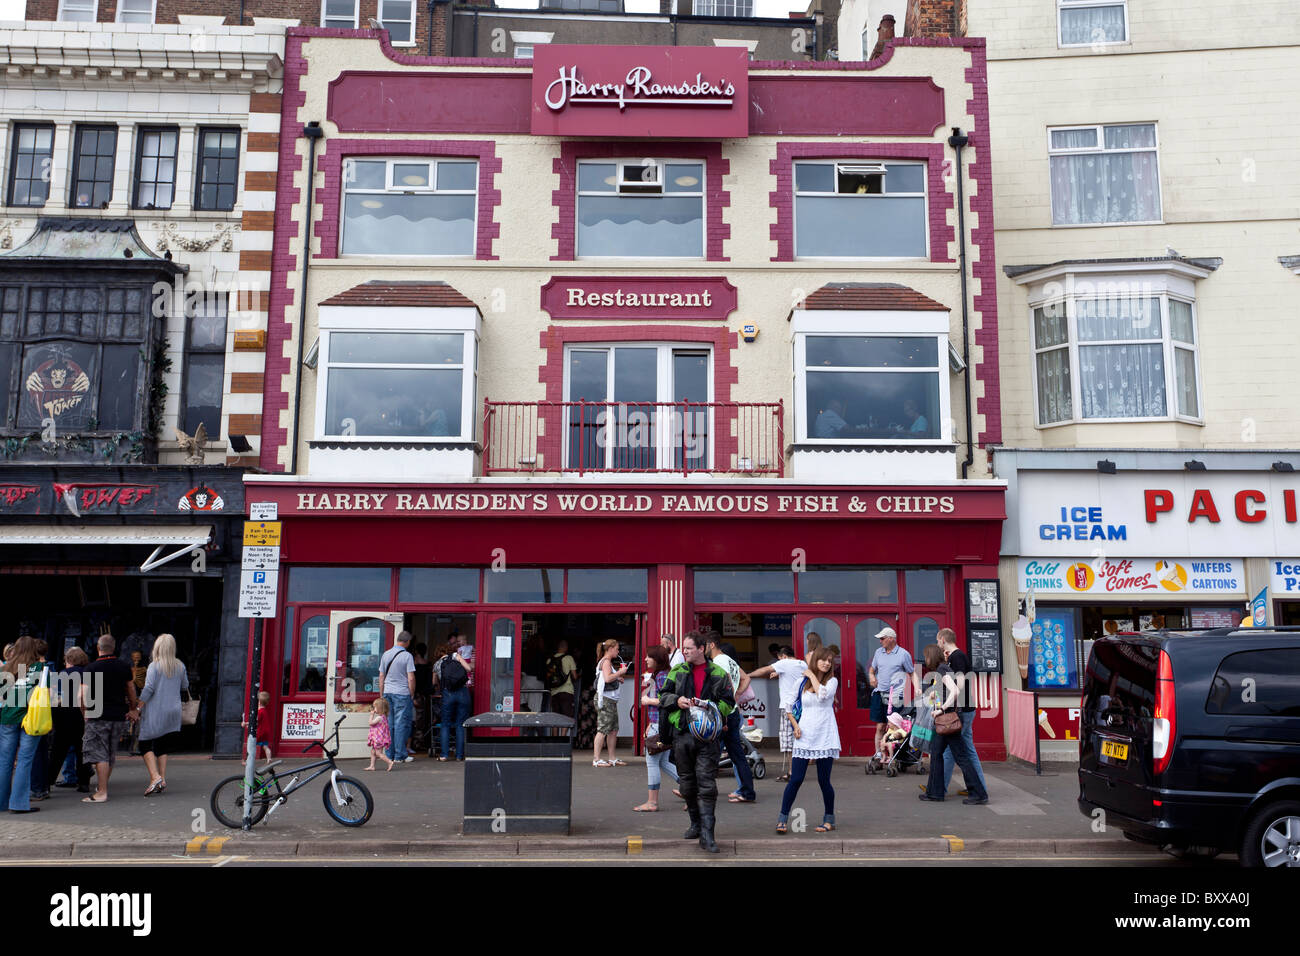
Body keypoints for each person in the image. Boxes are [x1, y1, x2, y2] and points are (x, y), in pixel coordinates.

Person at [658, 631, 736, 853]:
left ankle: (708, 833)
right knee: (687, 784)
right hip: (682, 734)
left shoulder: (719, 672)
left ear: (702, 649)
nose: (685, 651)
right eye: (683, 648)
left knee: (707, 784)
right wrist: (677, 700)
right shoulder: (678, 670)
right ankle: (695, 824)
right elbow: (663, 697)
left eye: (689, 648)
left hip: (708, 736)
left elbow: (728, 703)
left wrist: (709, 707)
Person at [776, 647, 841, 834]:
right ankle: (782, 818)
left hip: (825, 736)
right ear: (816, 660)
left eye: (830, 661)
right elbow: (788, 706)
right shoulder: (800, 682)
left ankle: (829, 819)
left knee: (824, 780)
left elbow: (823, 696)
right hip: (804, 735)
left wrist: (812, 675)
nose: (827, 663)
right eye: (823, 659)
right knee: (795, 779)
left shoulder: (832, 682)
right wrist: (795, 726)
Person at [919, 644, 989, 805]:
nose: (925, 659)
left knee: (961, 757)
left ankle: (978, 794)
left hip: (947, 720)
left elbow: (955, 691)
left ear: (932, 656)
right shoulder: (942, 670)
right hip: (946, 720)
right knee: (936, 754)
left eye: (926, 656)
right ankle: (935, 793)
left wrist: (941, 709)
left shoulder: (942, 670)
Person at [80, 633, 139, 804]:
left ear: (98, 648)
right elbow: (131, 690)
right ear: (114, 648)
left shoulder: (90, 669)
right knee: (110, 753)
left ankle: (102, 792)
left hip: (97, 716)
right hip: (118, 716)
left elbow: (82, 695)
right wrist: (133, 709)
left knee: (99, 755)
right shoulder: (124, 667)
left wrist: (84, 713)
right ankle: (102, 786)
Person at [0, 636, 49, 814]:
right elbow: (46, 695)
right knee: (24, 761)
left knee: (4, 762)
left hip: (8, 718)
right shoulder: (40, 668)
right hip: (31, 718)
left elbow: (1, 698)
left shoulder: (5, 668)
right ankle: (18, 804)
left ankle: (1, 802)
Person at [704, 634, 755, 803]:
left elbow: (727, 685)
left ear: (711, 644)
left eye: (703, 645)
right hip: (732, 712)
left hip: (723, 714)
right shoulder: (729, 659)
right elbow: (746, 677)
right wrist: (737, 694)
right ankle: (747, 791)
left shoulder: (718, 662)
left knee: (709, 754)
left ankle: (698, 791)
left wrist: (732, 696)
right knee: (736, 755)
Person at [938, 628, 988, 798]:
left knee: (955, 751)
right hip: (965, 708)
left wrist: (947, 702)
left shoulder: (957, 657)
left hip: (961, 709)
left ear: (943, 639)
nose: (938, 644)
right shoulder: (955, 657)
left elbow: (958, 685)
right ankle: (976, 786)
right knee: (960, 749)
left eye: (938, 640)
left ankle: (939, 788)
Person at [137, 633, 188, 796]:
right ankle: (162, 779)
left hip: (156, 710)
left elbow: (149, 688)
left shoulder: (154, 666)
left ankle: (155, 777)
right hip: (173, 710)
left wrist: (139, 705)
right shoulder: (180, 665)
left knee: (144, 744)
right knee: (162, 745)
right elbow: (185, 685)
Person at [747, 644, 803, 781]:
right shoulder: (802, 664)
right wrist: (779, 673)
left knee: (788, 740)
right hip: (801, 706)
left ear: (783, 656)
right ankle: (798, 770)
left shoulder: (784, 663)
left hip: (787, 707)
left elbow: (764, 670)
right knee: (800, 738)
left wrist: (747, 675)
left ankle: (792, 772)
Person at [633, 645, 677, 812]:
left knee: (651, 762)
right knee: (664, 762)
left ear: (657, 659)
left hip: (659, 725)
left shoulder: (660, 677)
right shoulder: (665, 674)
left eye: (648, 657)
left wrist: (647, 701)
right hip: (662, 724)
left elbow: (665, 700)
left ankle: (652, 802)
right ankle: (691, 791)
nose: (645, 659)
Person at [868, 627, 921, 759]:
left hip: (895, 696)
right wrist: (871, 676)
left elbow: (912, 672)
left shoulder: (903, 654)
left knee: (895, 727)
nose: (880, 641)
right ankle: (879, 754)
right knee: (880, 726)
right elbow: (871, 669)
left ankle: (895, 756)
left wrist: (918, 688)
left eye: (882, 638)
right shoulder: (878, 652)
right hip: (879, 693)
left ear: (891, 638)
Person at [49, 647, 91, 793]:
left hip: (63, 716)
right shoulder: (89, 673)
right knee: (82, 751)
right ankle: (84, 782)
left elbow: (54, 699)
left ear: (69, 660)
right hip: (82, 716)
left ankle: (48, 782)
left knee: (57, 751)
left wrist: (53, 719)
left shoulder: (61, 674)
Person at [378, 630, 416, 764]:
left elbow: (381, 676)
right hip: (402, 693)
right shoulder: (407, 656)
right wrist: (411, 693)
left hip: (388, 692)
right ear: (408, 642)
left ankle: (389, 754)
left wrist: (382, 694)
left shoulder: (386, 654)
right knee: (400, 725)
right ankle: (400, 755)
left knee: (389, 724)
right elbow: (411, 678)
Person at [592, 639, 629, 767]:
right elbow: (607, 678)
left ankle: (612, 758)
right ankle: (596, 759)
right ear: (610, 649)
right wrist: (620, 672)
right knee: (603, 729)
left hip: (610, 700)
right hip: (606, 699)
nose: (618, 651)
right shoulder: (606, 662)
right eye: (617, 649)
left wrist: (617, 677)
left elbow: (606, 677)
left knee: (613, 730)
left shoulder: (605, 662)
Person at [437, 638, 472, 761]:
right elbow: (468, 668)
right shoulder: (456, 655)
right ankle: (459, 755)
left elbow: (435, 682)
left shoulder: (437, 664)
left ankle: (444, 755)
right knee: (460, 724)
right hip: (462, 692)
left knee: (445, 724)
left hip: (448, 693)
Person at [546, 639, 578, 718]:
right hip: (566, 691)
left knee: (555, 717)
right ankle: (564, 731)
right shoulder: (569, 658)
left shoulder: (549, 660)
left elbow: (548, 676)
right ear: (566, 647)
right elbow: (575, 676)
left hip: (554, 692)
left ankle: (555, 731)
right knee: (567, 716)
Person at [365, 698, 395, 771]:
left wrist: (371, 715)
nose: (374, 709)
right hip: (379, 738)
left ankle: (389, 762)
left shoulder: (379, 717)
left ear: (379, 708)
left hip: (378, 739)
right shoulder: (384, 717)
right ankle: (372, 766)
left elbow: (370, 723)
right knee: (373, 751)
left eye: (375, 707)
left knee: (378, 753)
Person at [242, 691, 272, 761]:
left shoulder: (260, 712)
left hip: (260, 731)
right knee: (265, 746)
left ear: (258, 702)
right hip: (266, 732)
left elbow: (255, 721)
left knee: (250, 745)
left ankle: (246, 760)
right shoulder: (264, 711)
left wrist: (245, 724)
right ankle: (269, 758)